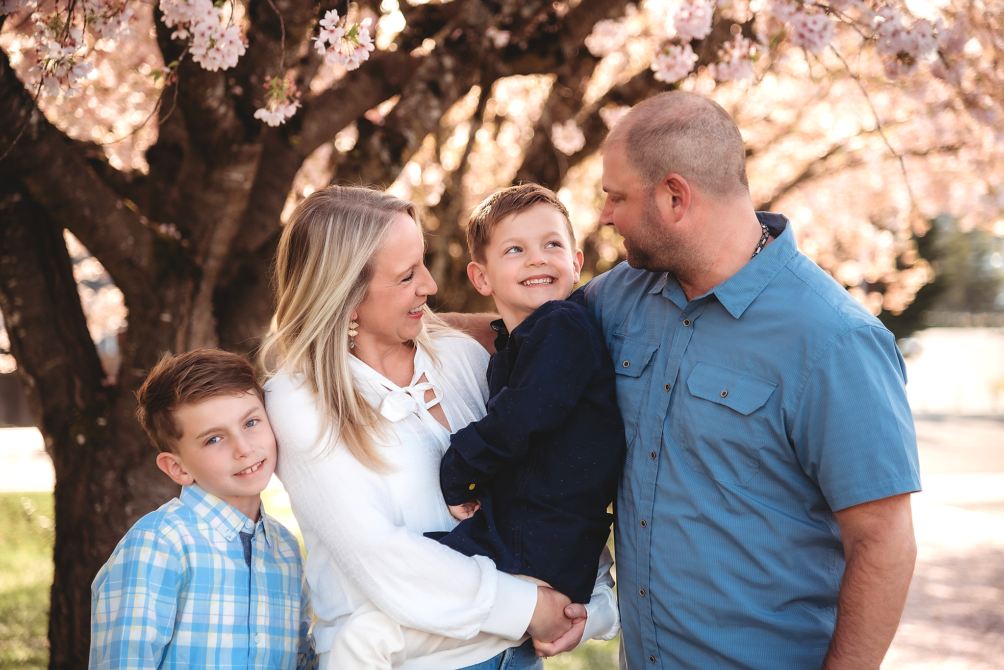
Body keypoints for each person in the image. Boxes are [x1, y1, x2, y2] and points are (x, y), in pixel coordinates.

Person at [449, 91, 921, 670]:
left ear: (675, 196)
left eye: (615, 197)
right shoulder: (621, 298)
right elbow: (524, 328)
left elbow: (883, 541)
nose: (603, 217)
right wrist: (400, 327)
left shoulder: (832, 340)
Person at [261, 186, 620, 670]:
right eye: (407, 275)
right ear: (346, 297)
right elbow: (381, 557)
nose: (430, 285)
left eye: (423, 264)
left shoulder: (461, 357)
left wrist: (590, 607)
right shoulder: (301, 400)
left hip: (513, 655)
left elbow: (544, 482)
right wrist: (531, 607)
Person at [89, 349, 314, 670]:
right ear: (178, 468)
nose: (244, 448)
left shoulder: (286, 550)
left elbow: (302, 657)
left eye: (251, 422)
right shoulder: (158, 545)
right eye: (213, 439)